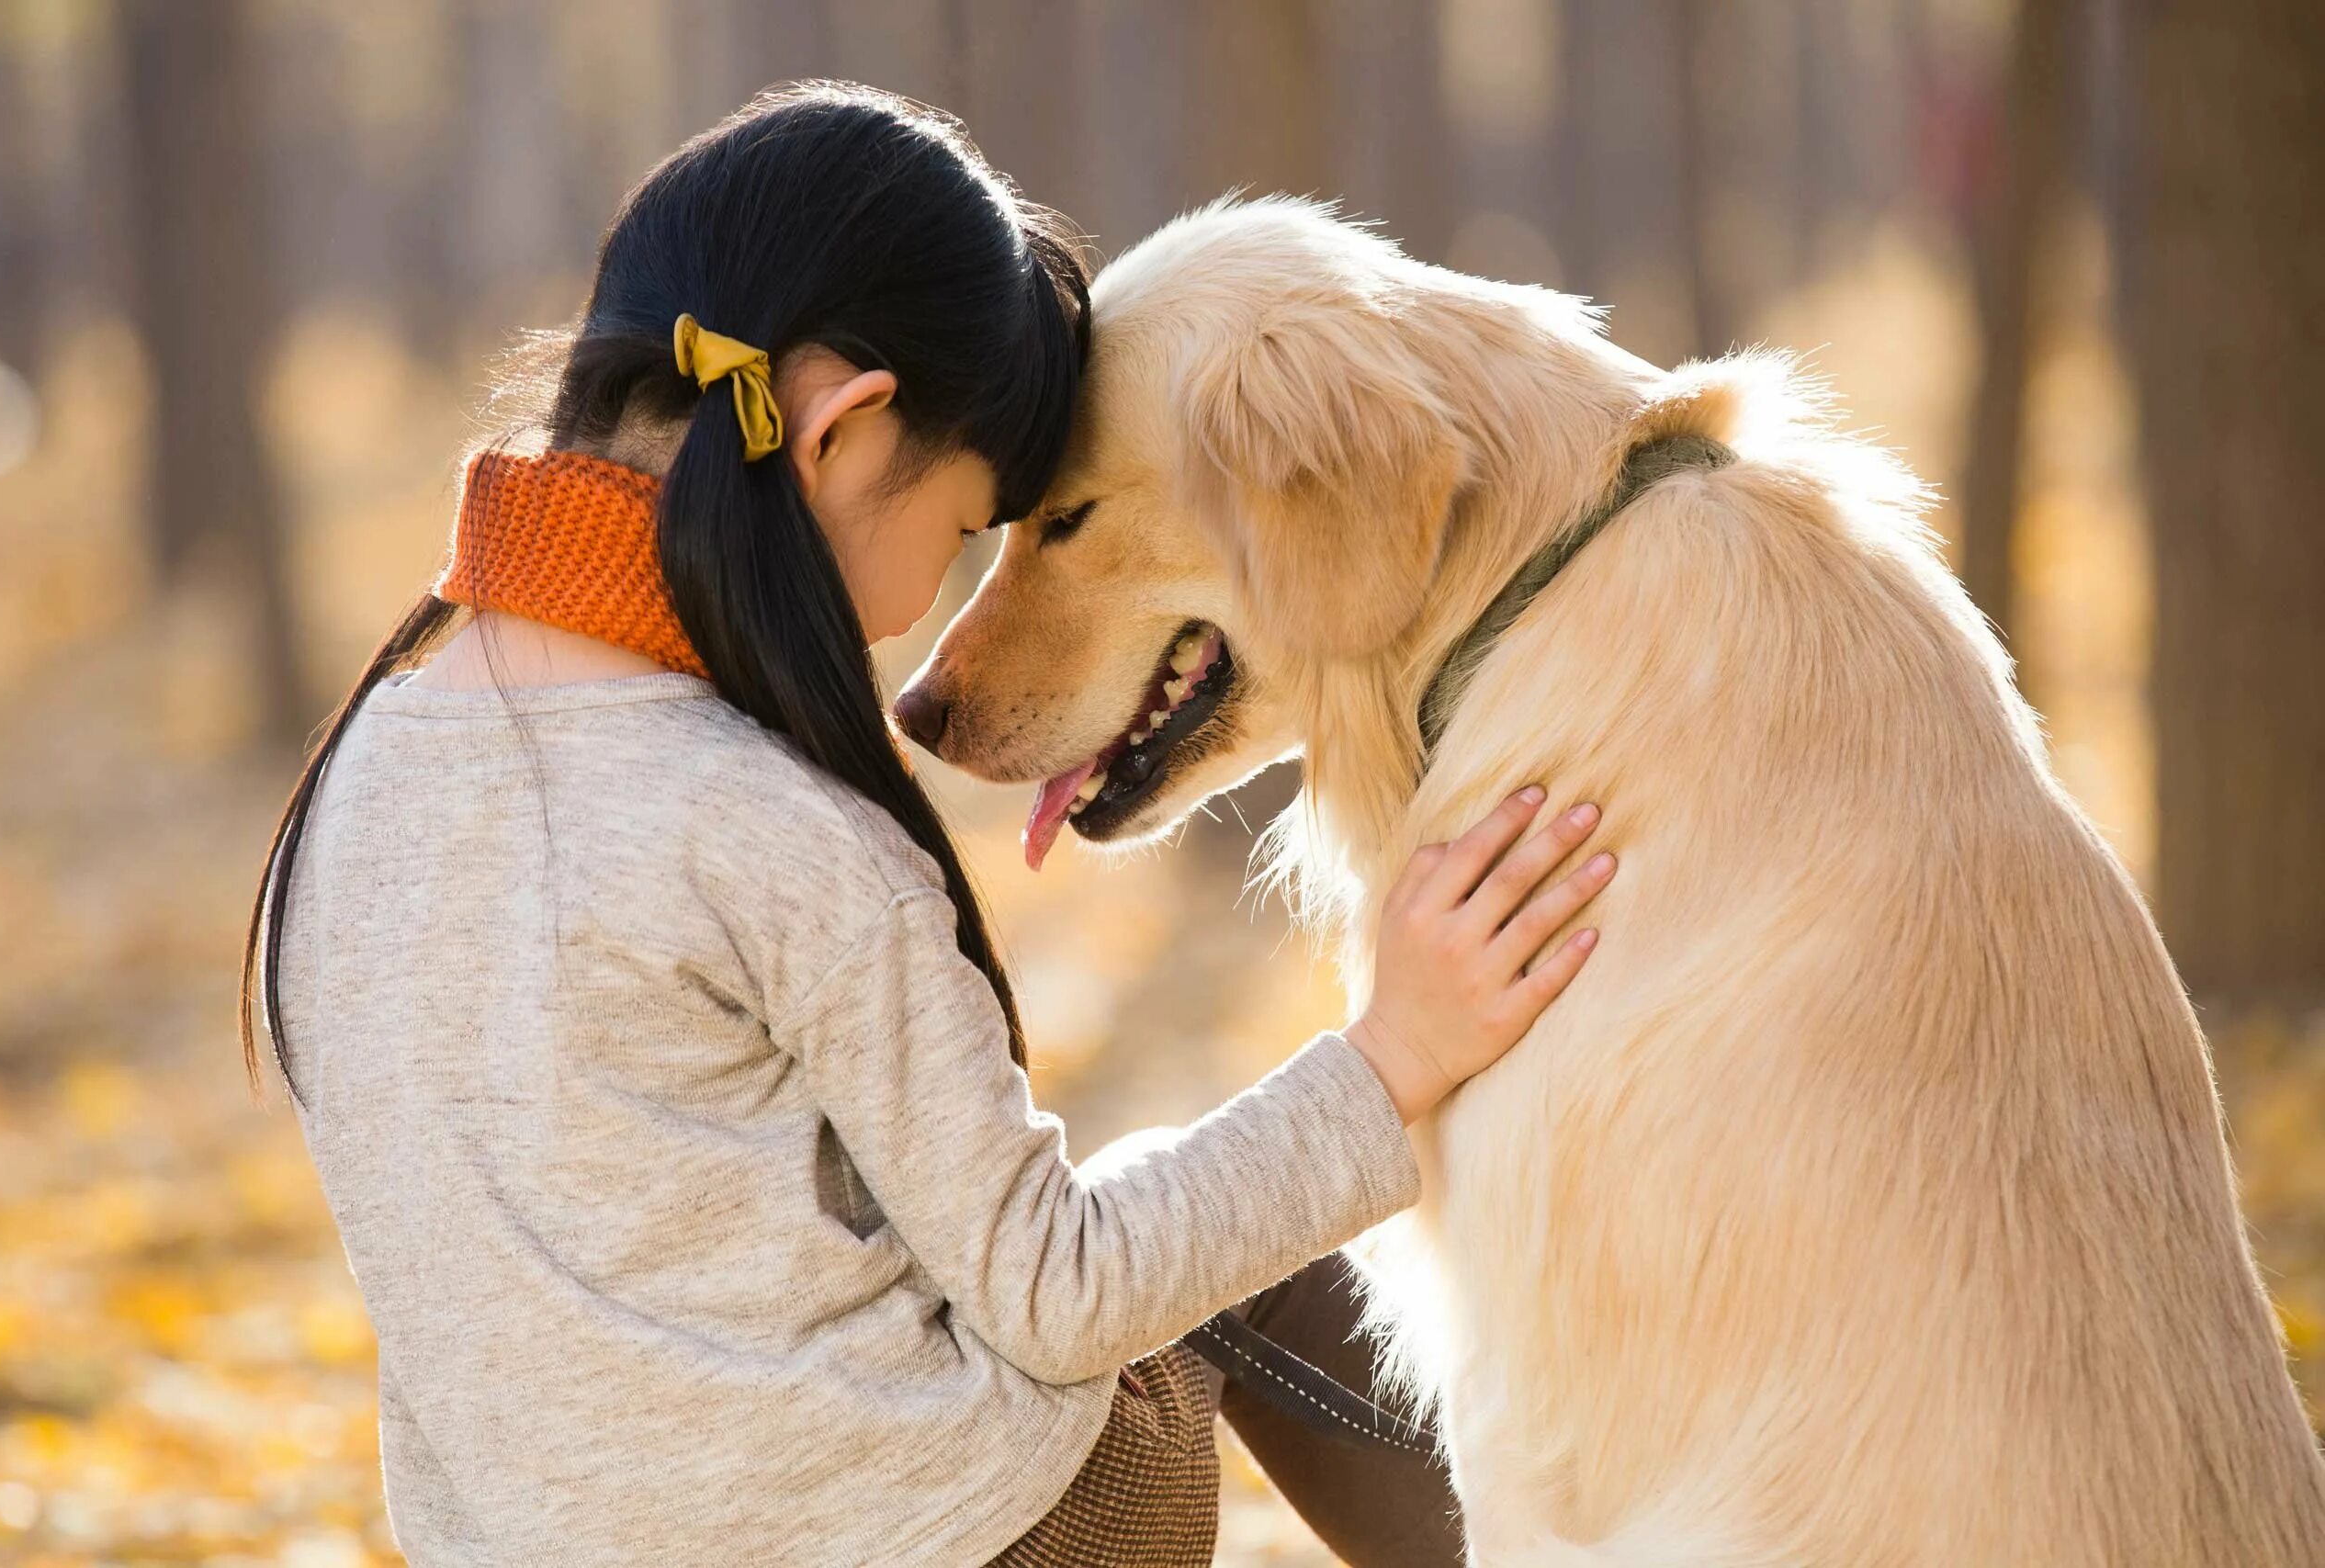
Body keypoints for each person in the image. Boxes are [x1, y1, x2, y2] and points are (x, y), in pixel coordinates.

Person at [240, 83, 1616, 1568]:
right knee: (1221, 1238)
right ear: (842, 430)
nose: (930, 627)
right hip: (979, 1542)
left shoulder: (364, 766)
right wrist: (1392, 1051)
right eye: (962, 536)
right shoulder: (767, 827)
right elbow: (1060, 1290)